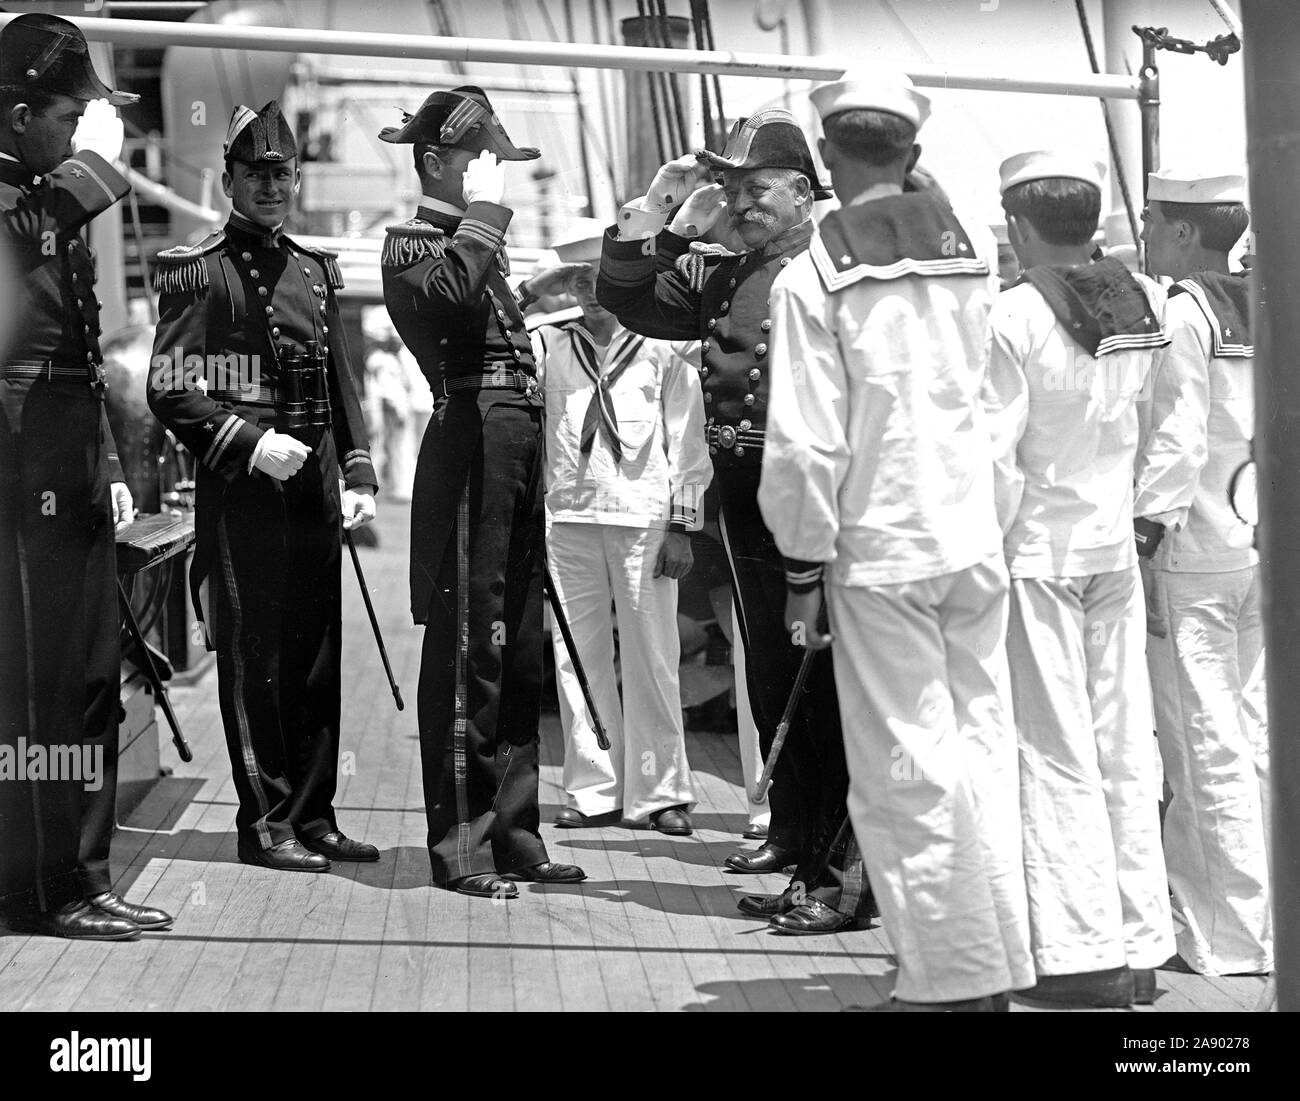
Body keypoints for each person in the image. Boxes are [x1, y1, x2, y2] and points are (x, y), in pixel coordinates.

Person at [759, 73, 1032, 1007]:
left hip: (881, 552)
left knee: (904, 770)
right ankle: (1000, 956)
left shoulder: (810, 276)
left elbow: (804, 442)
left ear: (828, 159)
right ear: (910, 156)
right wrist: (991, 512)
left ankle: (953, 981)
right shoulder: (973, 259)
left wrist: (803, 566)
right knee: (982, 752)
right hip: (971, 538)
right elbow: (1000, 407)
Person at [596, 109, 858, 933]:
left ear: (804, 192)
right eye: (733, 187)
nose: (741, 203)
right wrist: (666, 212)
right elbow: (626, 296)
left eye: (758, 188)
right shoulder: (718, 270)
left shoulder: (830, 270)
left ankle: (837, 873)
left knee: (819, 687)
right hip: (745, 494)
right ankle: (794, 835)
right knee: (773, 674)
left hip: (813, 494)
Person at [148, 101, 379, 873]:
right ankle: (267, 820)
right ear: (230, 181)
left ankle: (315, 813)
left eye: (282, 173)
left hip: (312, 483)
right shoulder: (199, 268)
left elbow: (341, 383)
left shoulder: (313, 270)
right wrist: (247, 442)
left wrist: (356, 471)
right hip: (245, 485)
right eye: (256, 175)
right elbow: (172, 387)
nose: (271, 187)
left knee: (316, 654)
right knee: (257, 657)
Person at [379, 86, 585, 898]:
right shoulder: (411, 243)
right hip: (472, 439)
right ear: (435, 162)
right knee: (472, 644)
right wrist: (487, 219)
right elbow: (443, 304)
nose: (492, 175)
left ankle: (515, 830)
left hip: (516, 436)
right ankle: (461, 841)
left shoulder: (477, 249)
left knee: (518, 641)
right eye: (479, 159)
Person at [984, 149, 1175, 1006]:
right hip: (1112, 551)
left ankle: (1077, 951)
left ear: (1019, 226)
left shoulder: (1014, 315)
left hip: (1038, 557)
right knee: (1126, 748)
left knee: (1054, 752)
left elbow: (996, 454)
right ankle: (1141, 941)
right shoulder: (1144, 303)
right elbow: (1173, 427)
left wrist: (980, 550)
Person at [0, 13, 173, 939]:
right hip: (17, 453)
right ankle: (41, 885)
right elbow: (27, 232)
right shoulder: (20, 198)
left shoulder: (38, 190)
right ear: (21, 114)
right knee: (34, 676)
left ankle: (80, 870)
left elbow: (84, 344)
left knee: (87, 673)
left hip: (61, 445)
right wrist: (98, 169)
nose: (79, 133)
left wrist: (104, 455)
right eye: (69, 117)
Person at [529, 221, 711, 834]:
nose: (589, 289)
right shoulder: (546, 344)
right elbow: (485, 317)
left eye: (599, 275)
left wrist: (684, 524)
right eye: (577, 277)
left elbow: (688, 439)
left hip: (644, 519)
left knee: (653, 658)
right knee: (575, 658)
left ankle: (660, 794)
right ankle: (594, 790)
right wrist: (534, 288)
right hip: (569, 516)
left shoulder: (665, 345)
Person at [1135, 168, 1270, 976]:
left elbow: (1178, 439)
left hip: (1193, 554)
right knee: (1250, 739)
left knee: (1201, 744)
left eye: (1154, 220)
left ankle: (1225, 935)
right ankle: (1263, 920)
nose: (1147, 233)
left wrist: (1145, 545)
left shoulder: (1185, 313)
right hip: (1255, 546)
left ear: (1185, 232)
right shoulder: (1270, 298)